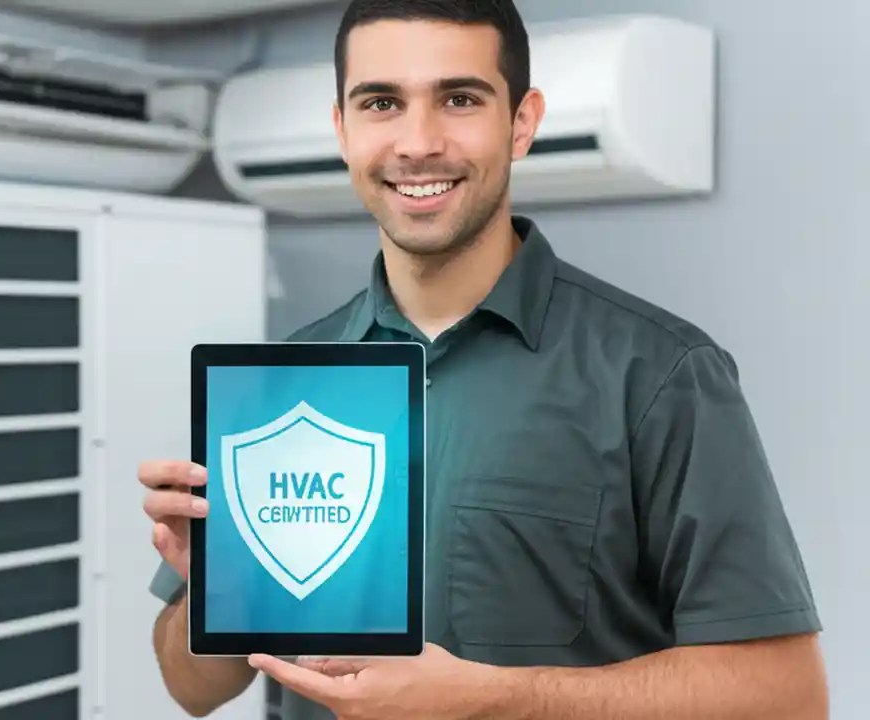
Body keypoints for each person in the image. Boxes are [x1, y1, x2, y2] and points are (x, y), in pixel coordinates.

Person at [140, 0, 829, 717]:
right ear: (343, 130)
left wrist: (492, 698)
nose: (418, 142)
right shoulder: (279, 380)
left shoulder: (661, 374)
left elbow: (788, 696)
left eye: (459, 98)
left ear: (521, 122)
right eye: (381, 103)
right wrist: (215, 589)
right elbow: (190, 689)